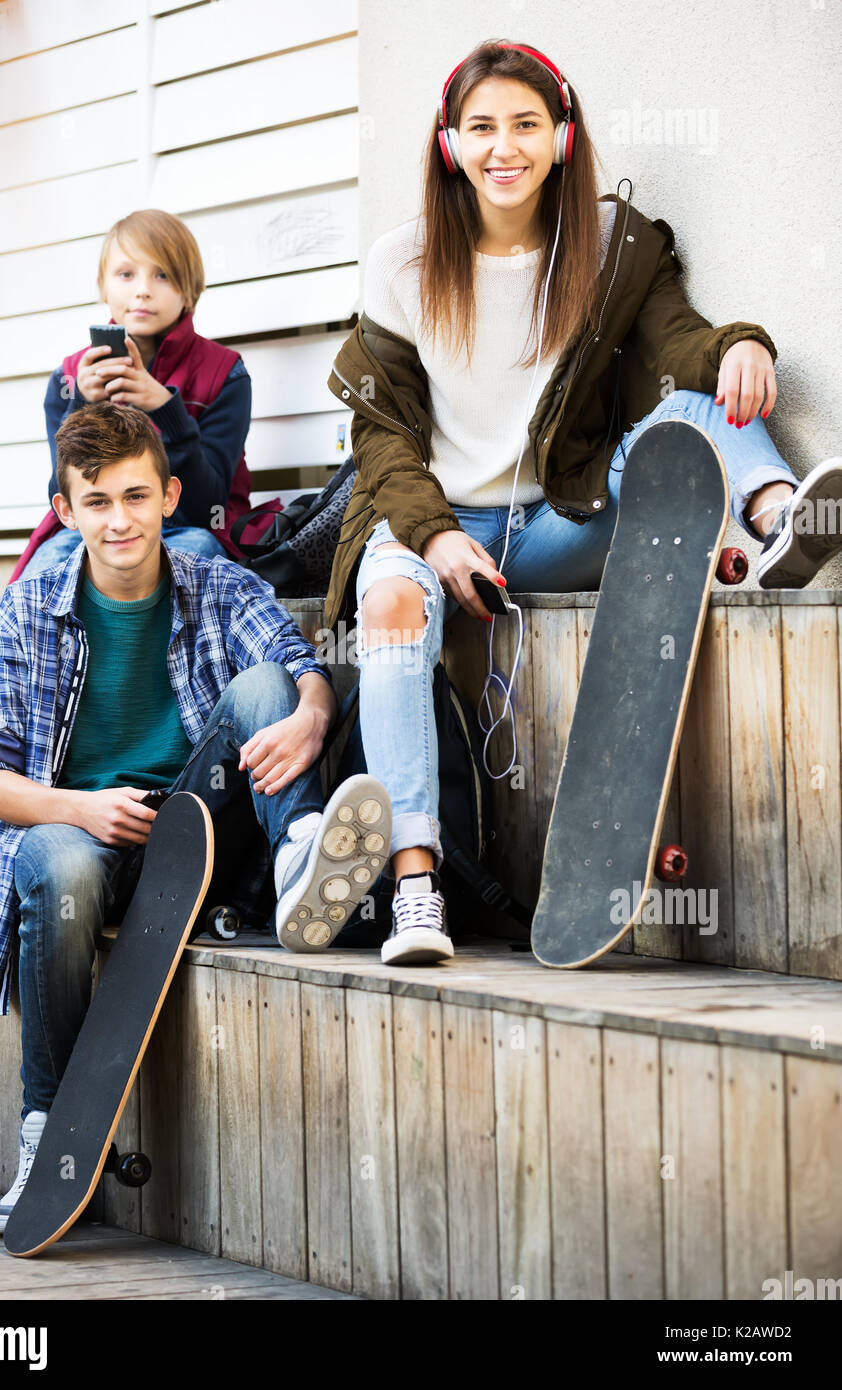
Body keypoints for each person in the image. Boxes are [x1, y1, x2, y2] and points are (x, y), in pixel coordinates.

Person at [323, 39, 842, 965]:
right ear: (450, 145)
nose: (504, 146)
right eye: (481, 127)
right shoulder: (400, 262)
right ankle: (415, 886)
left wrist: (743, 344)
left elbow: (677, 340)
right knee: (392, 603)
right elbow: (383, 436)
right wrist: (436, 539)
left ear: (562, 136)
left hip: (557, 520)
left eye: (526, 124)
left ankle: (773, 522)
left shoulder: (610, 242)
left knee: (686, 413)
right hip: (433, 525)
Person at [0, 400, 391, 1234]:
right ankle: (47, 1129)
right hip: (80, 830)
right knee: (50, 860)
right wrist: (81, 806)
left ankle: (304, 856)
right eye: (97, 502)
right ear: (65, 511)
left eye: (134, 496)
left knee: (268, 686)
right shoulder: (27, 608)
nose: (118, 521)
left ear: (168, 496)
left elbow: (301, 667)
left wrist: (310, 710)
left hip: (198, 831)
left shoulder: (214, 580)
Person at [16, 208, 269, 578]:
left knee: (192, 558)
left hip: (185, 529)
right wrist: (83, 407)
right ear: (103, 285)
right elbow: (64, 496)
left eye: (163, 275)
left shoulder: (225, 374)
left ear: (190, 289)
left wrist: (167, 409)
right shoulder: (69, 378)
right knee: (45, 572)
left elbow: (207, 504)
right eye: (126, 274)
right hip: (94, 531)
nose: (143, 290)